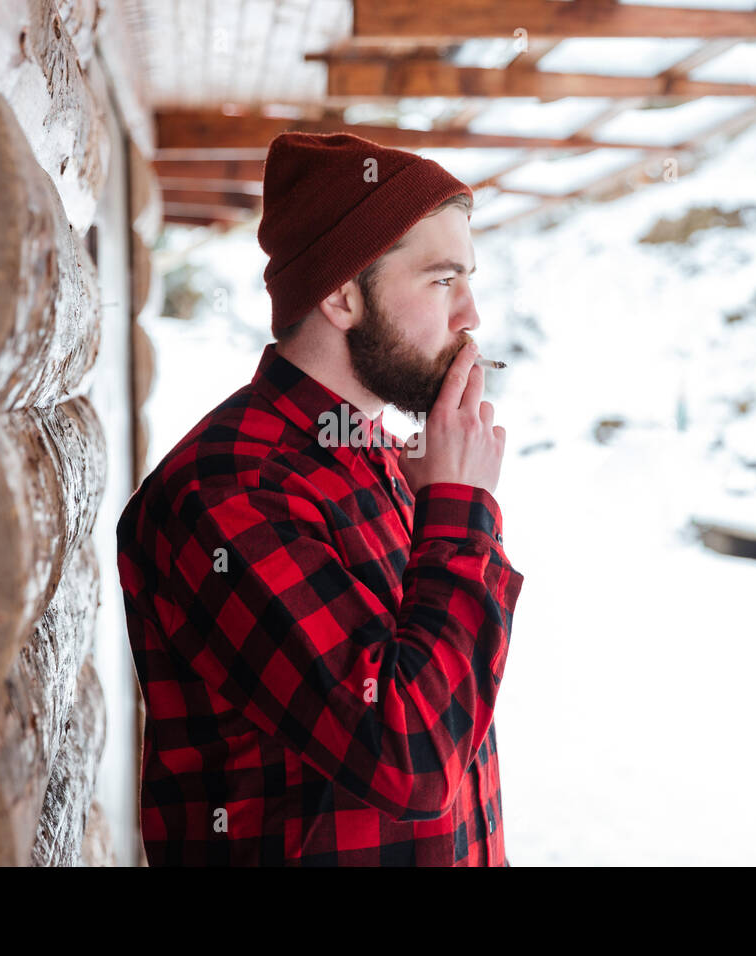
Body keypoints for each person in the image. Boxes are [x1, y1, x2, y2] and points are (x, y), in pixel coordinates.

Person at [116, 131, 524, 865]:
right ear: (341, 294)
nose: (471, 315)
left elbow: (452, 723)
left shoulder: (379, 460)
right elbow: (410, 758)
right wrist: (460, 517)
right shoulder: (227, 492)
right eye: (441, 279)